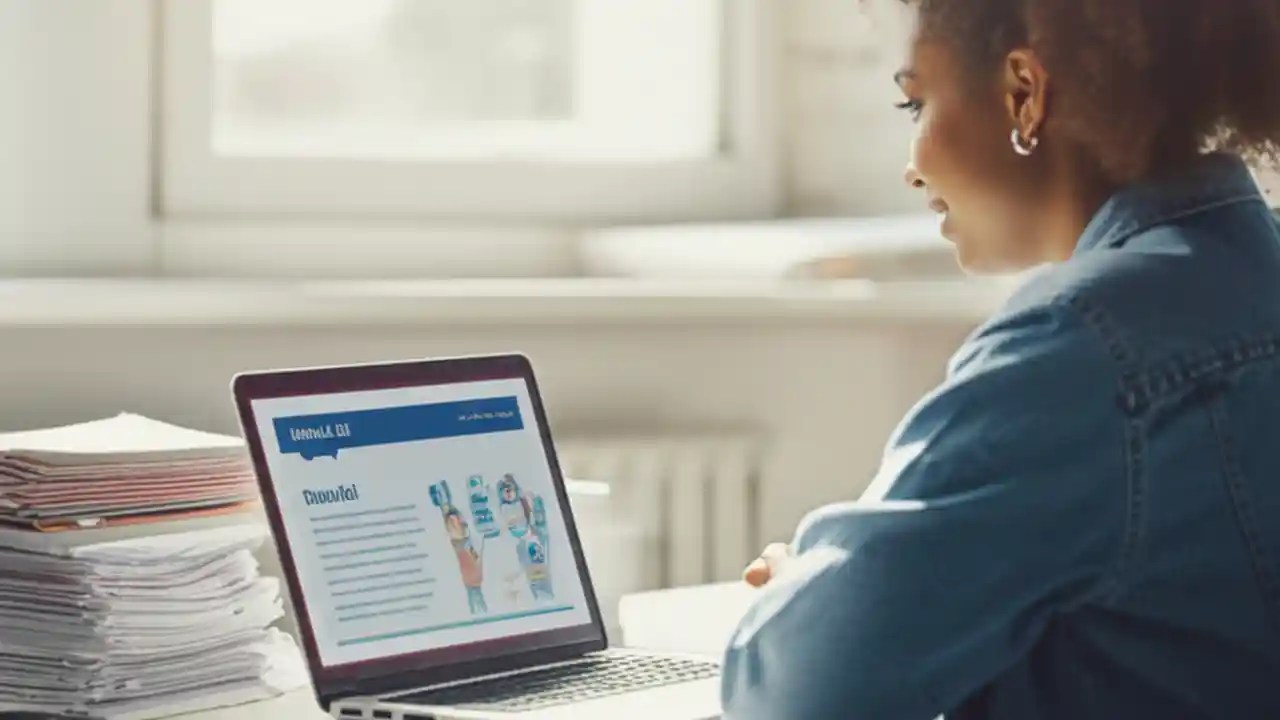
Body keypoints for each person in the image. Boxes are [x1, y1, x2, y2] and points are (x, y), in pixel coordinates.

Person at [722, 1, 1280, 718]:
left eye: (914, 103)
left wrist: (804, 593)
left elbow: (798, 688)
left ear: (1025, 92)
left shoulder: (1081, 347)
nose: (911, 169)